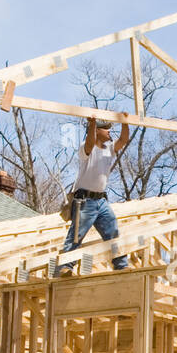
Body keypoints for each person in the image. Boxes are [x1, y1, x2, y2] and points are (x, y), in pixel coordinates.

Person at [57, 116, 132, 276]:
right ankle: (66, 266)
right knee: (77, 234)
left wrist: (125, 122)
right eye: (106, 129)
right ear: (97, 131)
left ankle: (121, 265)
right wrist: (91, 123)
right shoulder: (86, 148)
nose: (110, 132)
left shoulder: (109, 149)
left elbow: (123, 140)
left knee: (112, 232)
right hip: (85, 201)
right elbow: (91, 142)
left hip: (101, 200)